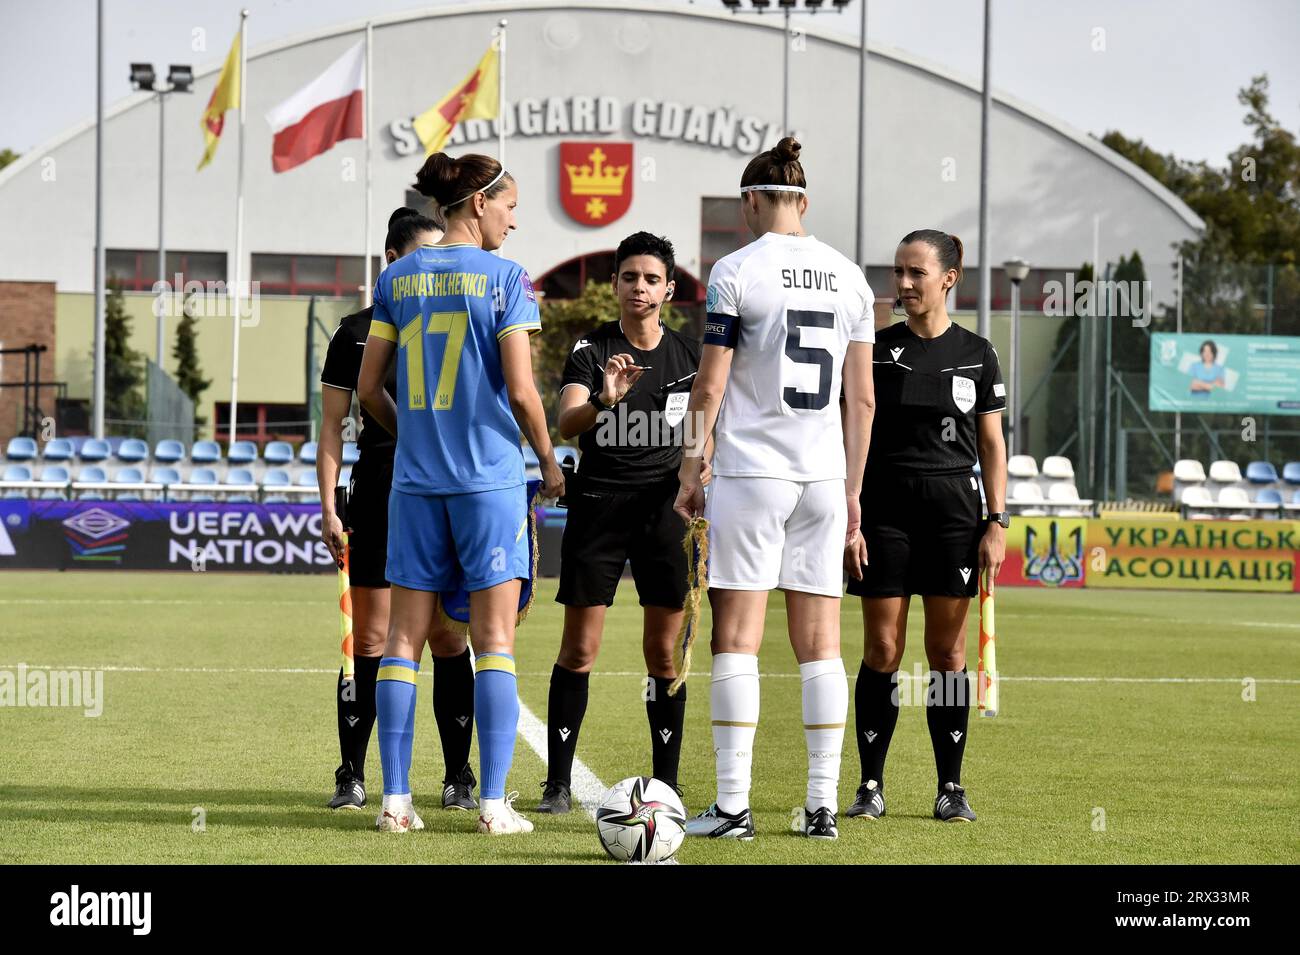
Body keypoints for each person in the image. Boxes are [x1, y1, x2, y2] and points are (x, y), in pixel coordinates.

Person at [673, 137, 876, 841]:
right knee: (820, 644)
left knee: (737, 638)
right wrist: (852, 492)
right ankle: (822, 807)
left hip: (753, 473)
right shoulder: (851, 277)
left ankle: (734, 807)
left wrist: (690, 464)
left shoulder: (736, 269)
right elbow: (863, 400)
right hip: (823, 477)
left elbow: (711, 381)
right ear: (806, 202)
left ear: (754, 201)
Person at [358, 153, 564, 835]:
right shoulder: (506, 279)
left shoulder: (396, 277)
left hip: (414, 485)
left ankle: (394, 799)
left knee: (401, 641)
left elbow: (367, 390)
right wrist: (549, 459)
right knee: (494, 639)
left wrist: (414, 433)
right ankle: (494, 804)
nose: (514, 216)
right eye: (508, 203)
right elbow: (525, 390)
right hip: (489, 483)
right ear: (478, 203)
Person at [536, 232, 705, 815]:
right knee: (579, 650)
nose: (640, 287)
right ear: (615, 284)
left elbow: (703, 435)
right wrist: (605, 399)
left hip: (666, 514)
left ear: (669, 289)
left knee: (665, 657)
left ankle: (667, 784)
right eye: (629, 277)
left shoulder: (690, 357)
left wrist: (703, 479)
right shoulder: (591, 349)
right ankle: (557, 784)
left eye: (651, 278)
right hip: (599, 508)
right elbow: (567, 423)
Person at [843, 229, 1008, 824]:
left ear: (948, 278)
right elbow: (850, 430)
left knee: (947, 652)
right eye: (898, 272)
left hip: (954, 516)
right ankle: (869, 785)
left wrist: (997, 521)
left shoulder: (977, 352)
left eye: (916, 273)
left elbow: (992, 444)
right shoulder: (873, 348)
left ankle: (950, 786)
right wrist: (849, 508)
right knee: (883, 648)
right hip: (885, 511)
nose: (904, 284)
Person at [317, 207, 479, 813]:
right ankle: (352, 774)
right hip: (382, 486)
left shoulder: (457, 319)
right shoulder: (355, 332)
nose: (432, 268)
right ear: (391, 260)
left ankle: (459, 776)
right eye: (419, 257)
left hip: (446, 485)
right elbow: (332, 429)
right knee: (373, 636)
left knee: (446, 635)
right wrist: (331, 506)